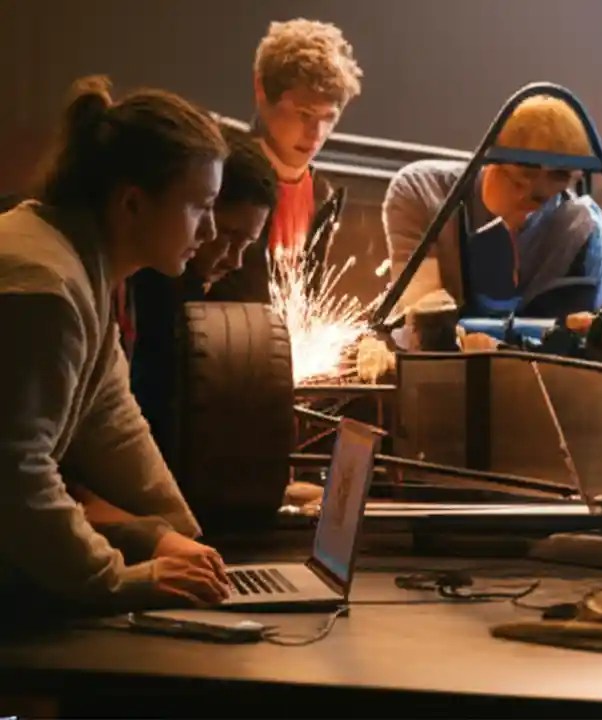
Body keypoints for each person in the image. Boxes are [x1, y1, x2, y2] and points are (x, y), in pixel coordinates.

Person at [0, 76, 232, 611]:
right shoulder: (45, 287)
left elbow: (113, 422)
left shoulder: (78, 267)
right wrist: (124, 581)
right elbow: (15, 476)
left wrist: (181, 539)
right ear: (132, 204)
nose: (210, 231)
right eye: (200, 207)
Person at [382, 94, 602, 322]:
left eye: (542, 198)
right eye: (519, 183)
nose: (527, 205)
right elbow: (422, 316)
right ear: (492, 159)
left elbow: (583, 330)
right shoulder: (423, 191)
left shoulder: (577, 230)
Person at [127, 126, 277, 464]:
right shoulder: (148, 290)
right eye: (228, 234)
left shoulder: (206, 287)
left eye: (246, 244)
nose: (235, 260)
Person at [206, 18, 363, 303]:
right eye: (304, 114)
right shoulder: (217, 174)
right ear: (261, 90)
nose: (316, 133)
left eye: (329, 118)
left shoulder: (322, 196)